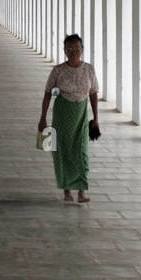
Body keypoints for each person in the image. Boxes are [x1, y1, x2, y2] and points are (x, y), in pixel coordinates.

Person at [37, 34, 99, 202]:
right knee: (62, 151)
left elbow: (93, 93)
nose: (73, 53)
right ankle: (66, 190)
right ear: (64, 51)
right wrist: (43, 118)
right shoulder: (58, 70)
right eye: (69, 49)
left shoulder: (89, 69)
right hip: (62, 114)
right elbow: (48, 93)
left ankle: (81, 191)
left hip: (81, 115)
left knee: (81, 152)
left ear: (82, 50)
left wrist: (96, 118)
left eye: (77, 49)